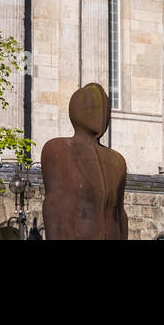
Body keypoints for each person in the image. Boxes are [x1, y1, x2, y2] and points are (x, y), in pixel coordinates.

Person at [41, 84, 129, 239]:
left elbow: (120, 213)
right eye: (93, 107)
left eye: (106, 110)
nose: (102, 115)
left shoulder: (117, 161)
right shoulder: (58, 150)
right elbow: (54, 209)